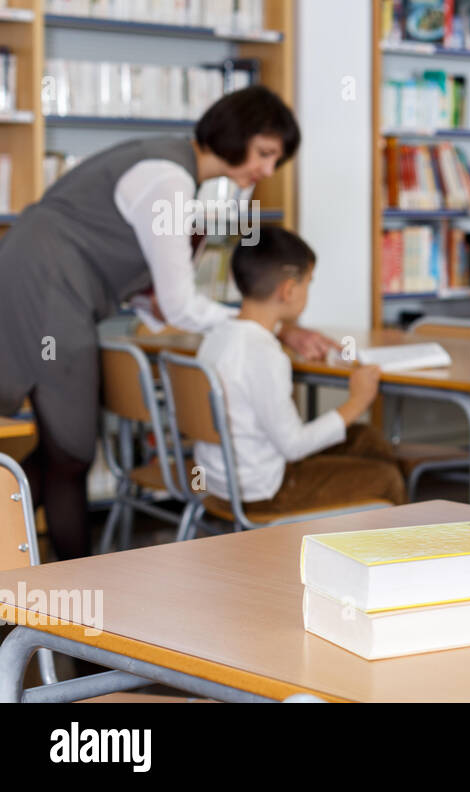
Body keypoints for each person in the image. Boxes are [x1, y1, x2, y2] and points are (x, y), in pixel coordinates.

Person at [0, 85, 335, 559]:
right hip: (47, 288)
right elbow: (178, 306)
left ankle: (53, 593)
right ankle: (74, 604)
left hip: (34, 279)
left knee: (60, 454)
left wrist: (156, 307)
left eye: (275, 161)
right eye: (264, 153)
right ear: (234, 132)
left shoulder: (169, 170)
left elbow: (147, 294)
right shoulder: (169, 180)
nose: (265, 170)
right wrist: (269, 325)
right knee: (70, 455)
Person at [194, 227, 406, 515]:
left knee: (363, 439)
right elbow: (294, 445)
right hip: (262, 492)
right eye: (308, 283)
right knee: (387, 479)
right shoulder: (263, 354)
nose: (308, 291)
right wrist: (358, 401)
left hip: (220, 480)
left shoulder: (216, 336)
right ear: (289, 290)